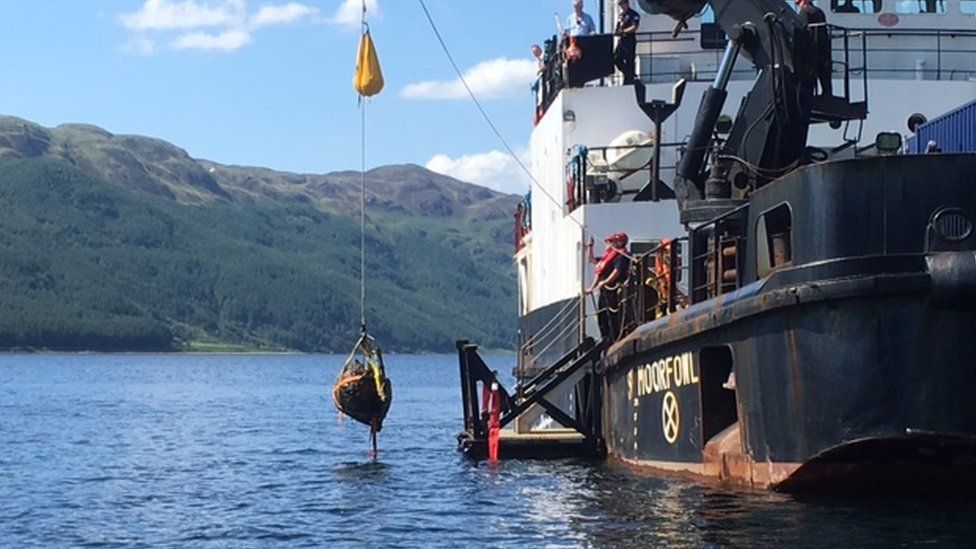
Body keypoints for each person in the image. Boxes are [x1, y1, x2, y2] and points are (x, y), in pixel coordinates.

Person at [586, 232, 631, 341]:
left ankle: (614, 336)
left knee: (613, 313)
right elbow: (592, 260)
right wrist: (590, 247)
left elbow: (616, 272)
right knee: (602, 313)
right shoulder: (608, 257)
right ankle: (605, 336)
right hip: (605, 290)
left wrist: (605, 282)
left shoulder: (621, 256)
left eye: (611, 241)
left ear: (619, 243)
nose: (608, 243)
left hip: (613, 289)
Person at [796, 0, 833, 97]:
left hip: (811, 54)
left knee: (808, 83)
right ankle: (827, 97)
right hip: (823, 52)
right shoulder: (819, 12)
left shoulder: (805, 12)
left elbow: (803, 30)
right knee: (825, 82)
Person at [614, 0, 640, 85]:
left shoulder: (633, 14)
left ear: (627, 4)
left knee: (630, 61)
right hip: (621, 42)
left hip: (630, 41)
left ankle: (629, 80)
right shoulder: (621, 16)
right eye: (620, 5)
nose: (621, 6)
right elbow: (618, 27)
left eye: (622, 4)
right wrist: (617, 32)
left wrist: (624, 31)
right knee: (616, 59)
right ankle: (629, 74)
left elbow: (634, 27)